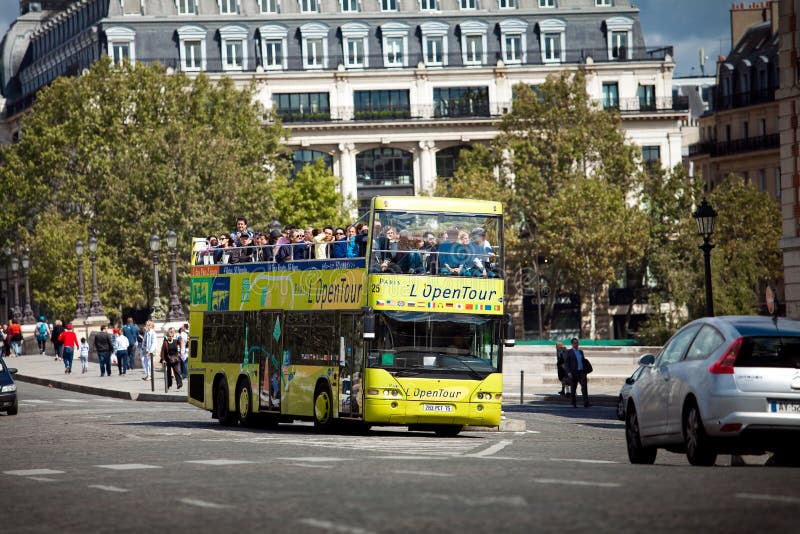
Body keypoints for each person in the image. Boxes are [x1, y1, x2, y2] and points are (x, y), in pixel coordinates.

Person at [564, 337, 590, 408]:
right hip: (573, 373)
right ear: (572, 344)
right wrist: (569, 373)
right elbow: (566, 363)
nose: (576, 344)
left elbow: (583, 361)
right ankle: (573, 403)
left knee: (584, 388)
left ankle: (586, 403)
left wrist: (585, 371)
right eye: (575, 343)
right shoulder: (569, 352)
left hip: (581, 372)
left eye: (577, 343)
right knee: (573, 389)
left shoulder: (580, 352)